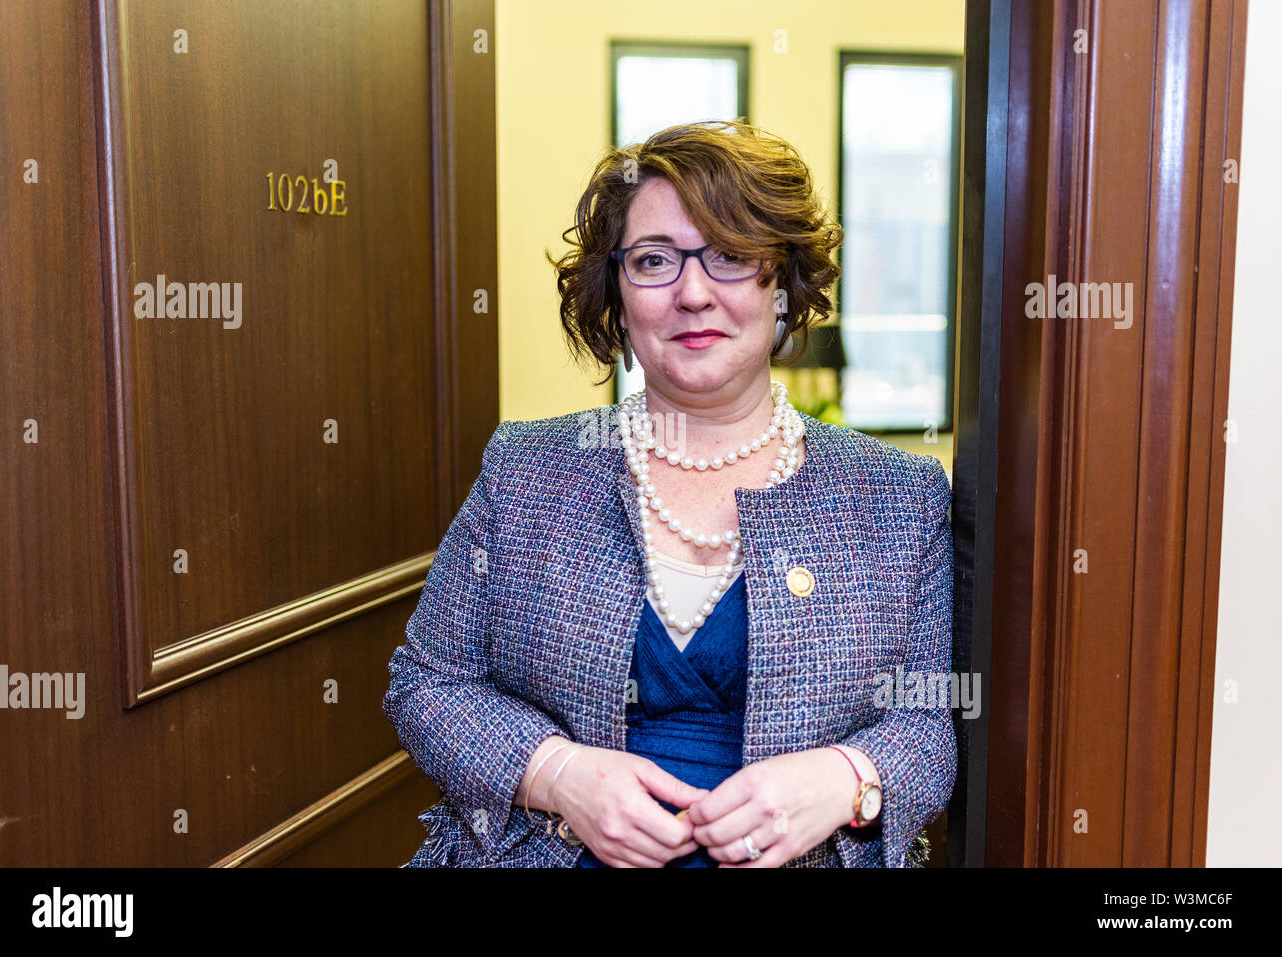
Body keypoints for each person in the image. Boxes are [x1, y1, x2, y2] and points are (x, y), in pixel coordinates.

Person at [383, 119, 956, 867]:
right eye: (654, 260)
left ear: (781, 283)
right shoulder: (524, 471)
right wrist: (559, 774)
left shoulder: (897, 496)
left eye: (728, 256)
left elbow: (931, 717)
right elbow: (427, 682)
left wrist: (845, 779)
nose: (692, 293)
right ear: (617, 297)